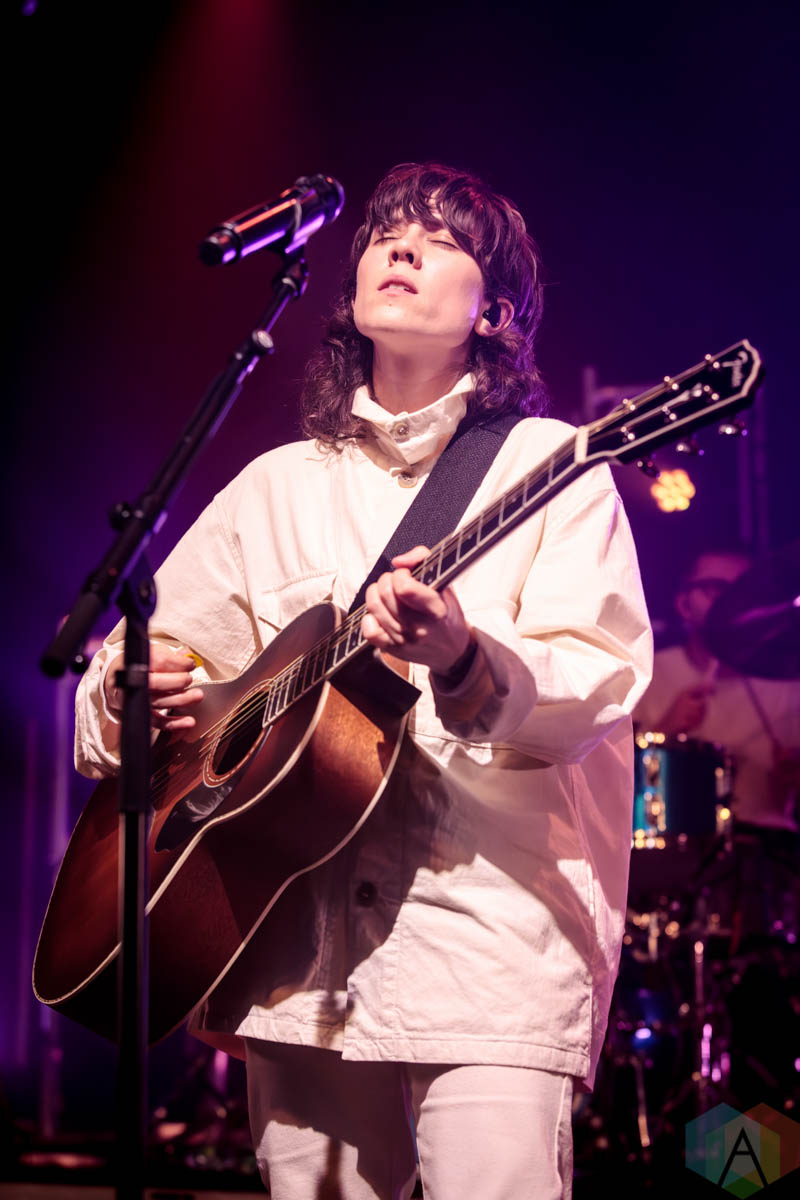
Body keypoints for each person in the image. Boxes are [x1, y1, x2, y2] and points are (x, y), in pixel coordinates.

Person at [74, 163, 653, 1199]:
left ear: (498, 313)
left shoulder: (552, 463)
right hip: (290, 954)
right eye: (384, 231)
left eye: (436, 239)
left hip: (484, 949)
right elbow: (142, 660)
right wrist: (126, 697)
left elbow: (598, 681)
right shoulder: (273, 487)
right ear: (343, 296)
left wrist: (466, 657)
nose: (398, 245)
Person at [633, 548, 800, 833]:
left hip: (769, 853)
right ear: (683, 604)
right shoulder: (644, 673)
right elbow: (610, 787)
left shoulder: (789, 684)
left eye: (743, 590)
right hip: (672, 855)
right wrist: (664, 734)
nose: (729, 603)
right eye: (715, 589)